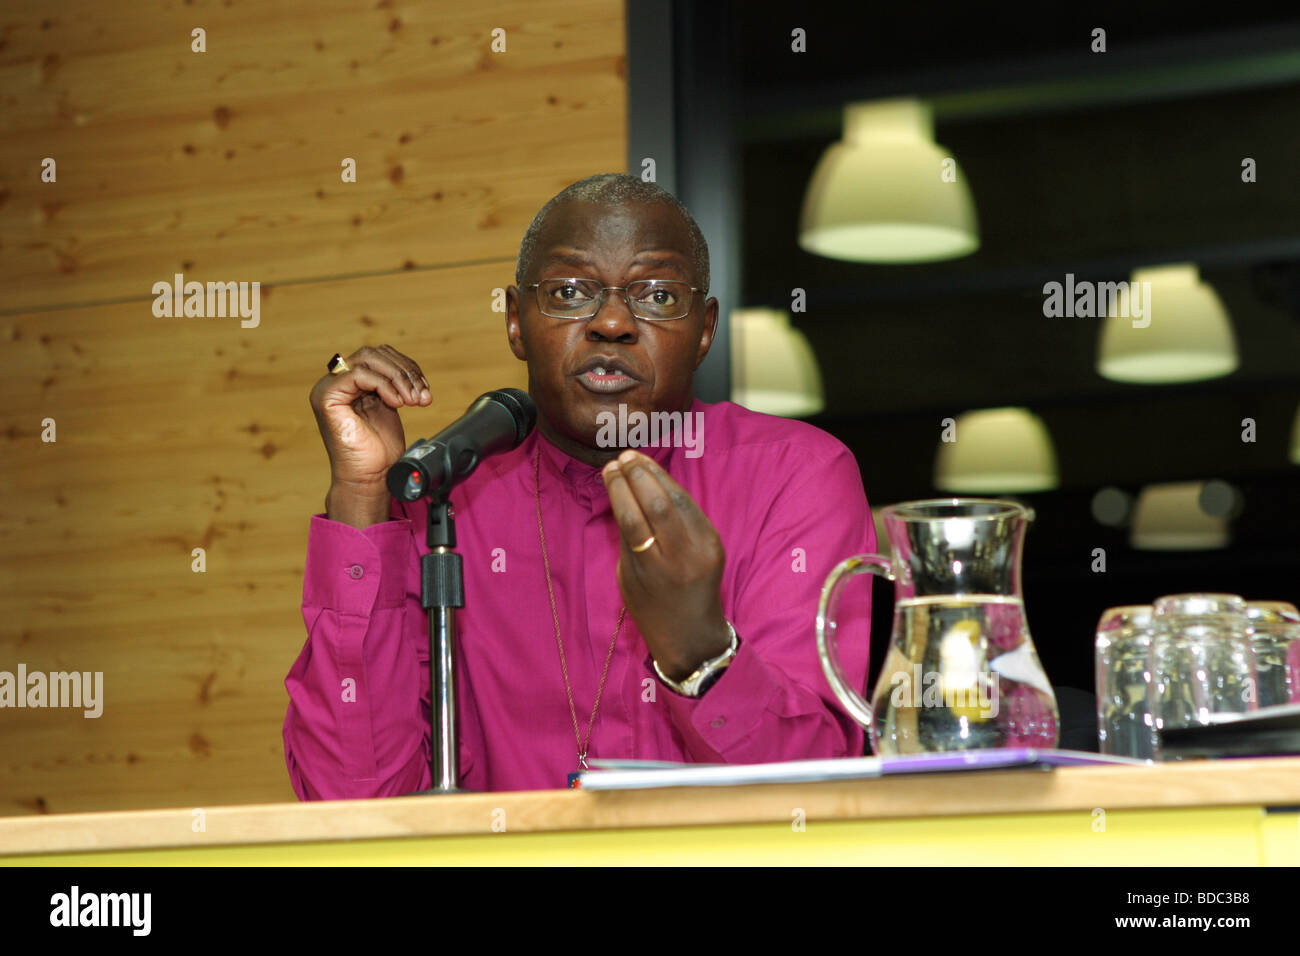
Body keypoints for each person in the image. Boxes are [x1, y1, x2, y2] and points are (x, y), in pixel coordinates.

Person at [283, 173, 874, 796]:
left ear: (703, 331)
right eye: (569, 291)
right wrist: (362, 497)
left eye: (657, 296)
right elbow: (352, 802)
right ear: (516, 322)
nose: (613, 322)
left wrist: (701, 654)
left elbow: (820, 791)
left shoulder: (793, 477)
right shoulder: (449, 503)